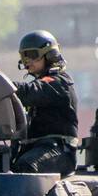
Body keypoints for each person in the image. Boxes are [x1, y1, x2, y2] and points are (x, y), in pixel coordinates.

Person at [9, 30, 79, 176]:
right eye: (24, 56)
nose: (27, 60)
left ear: (50, 55)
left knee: (26, 166)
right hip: (34, 149)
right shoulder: (42, 85)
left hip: (59, 152)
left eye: (32, 55)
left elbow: (28, 91)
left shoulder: (59, 82)